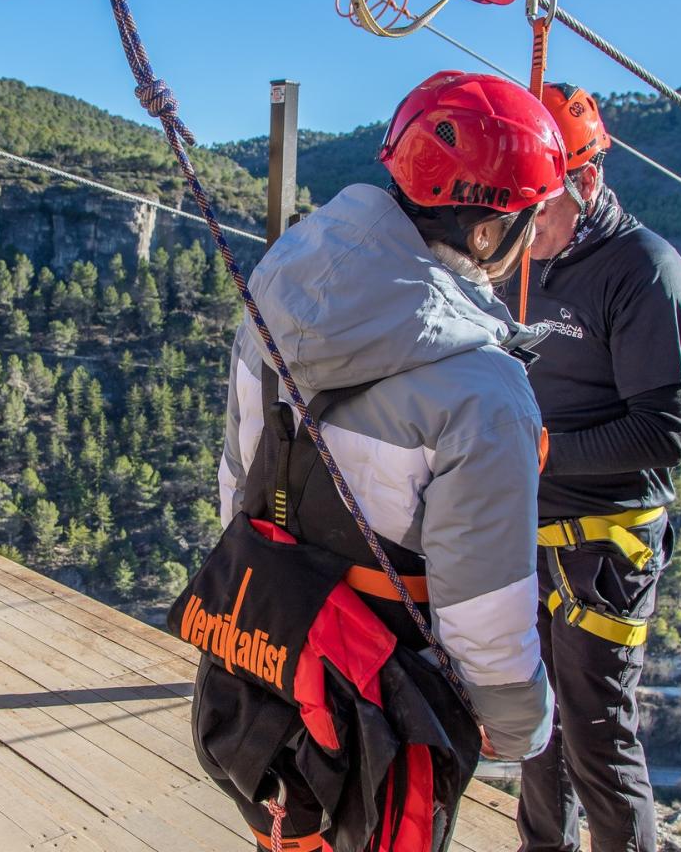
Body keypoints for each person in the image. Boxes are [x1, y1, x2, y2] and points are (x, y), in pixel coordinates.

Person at [194, 71, 566, 851]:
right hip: (381, 711)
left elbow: (238, 485)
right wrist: (515, 725)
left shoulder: (270, 301)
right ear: (490, 234)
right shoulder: (484, 392)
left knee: (284, 829)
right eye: (526, 224)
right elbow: (483, 604)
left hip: (268, 664)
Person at [503, 83, 681, 852]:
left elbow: (664, 436)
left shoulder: (645, 272)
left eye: (542, 210)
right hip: (534, 530)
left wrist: (546, 448)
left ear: (586, 183)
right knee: (537, 729)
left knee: (597, 740)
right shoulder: (532, 261)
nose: (528, 228)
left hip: (603, 549)